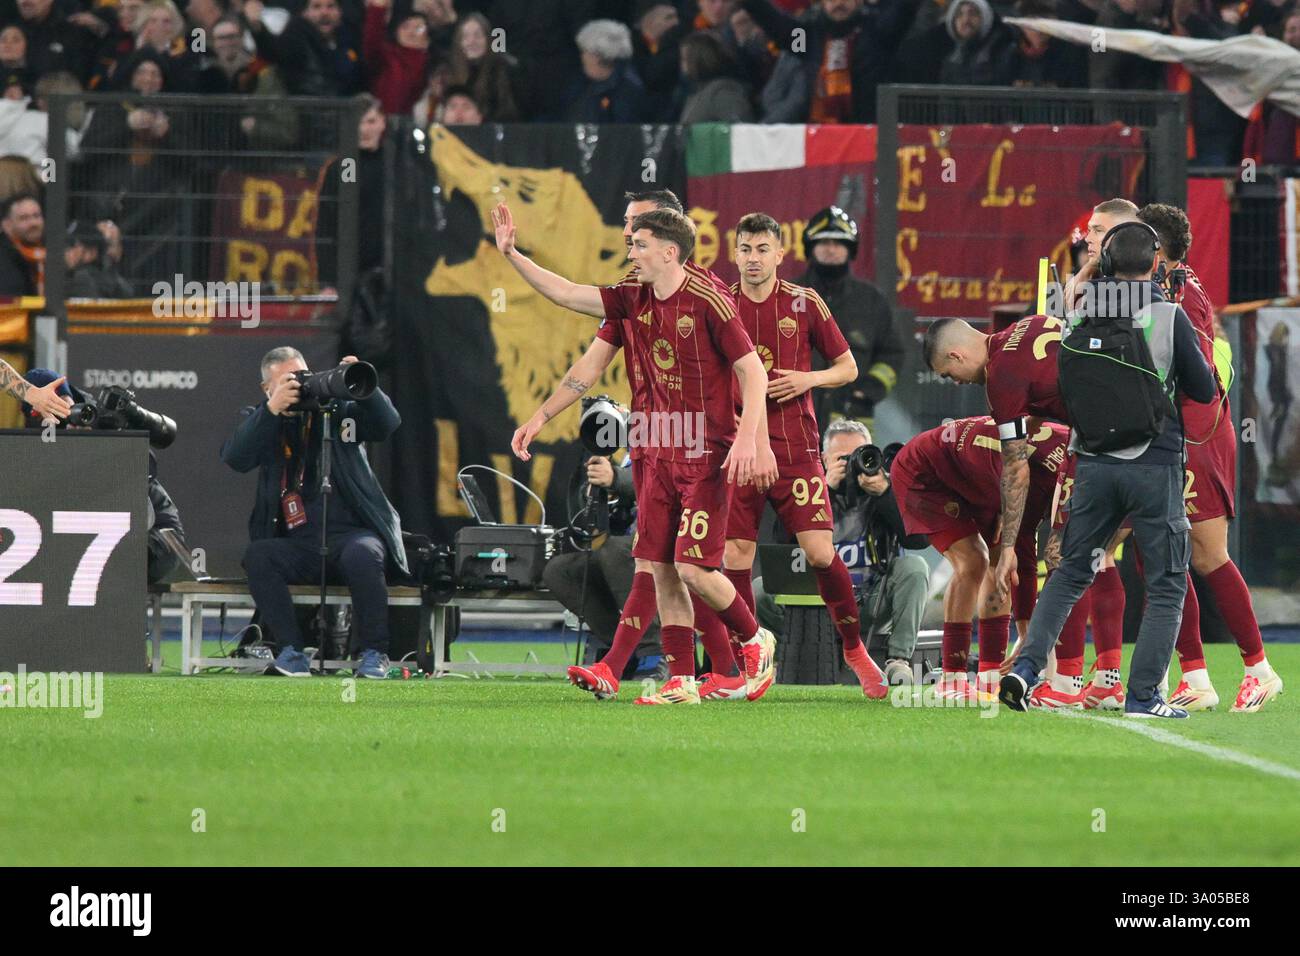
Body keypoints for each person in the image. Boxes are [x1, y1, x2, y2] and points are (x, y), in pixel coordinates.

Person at [495, 201, 780, 706]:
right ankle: (680, 680)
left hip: (703, 450)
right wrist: (513, 255)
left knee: (693, 568)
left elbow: (753, 372)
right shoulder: (631, 297)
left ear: (669, 252)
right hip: (652, 448)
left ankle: (754, 637)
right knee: (660, 565)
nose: (631, 249)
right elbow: (566, 294)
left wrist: (748, 438)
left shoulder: (710, 299)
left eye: (639, 243)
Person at [999, 221, 1218, 718]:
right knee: (1166, 581)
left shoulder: (1077, 315)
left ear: (1108, 263)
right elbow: (1204, 391)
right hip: (1153, 463)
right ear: (1157, 263)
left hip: (1092, 463)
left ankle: (1026, 670)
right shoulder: (1168, 314)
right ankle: (1143, 697)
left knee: (1071, 571)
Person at [713, 212, 889, 701]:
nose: (753, 259)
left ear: (779, 252)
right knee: (735, 556)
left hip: (795, 450)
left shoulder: (803, 301)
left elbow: (849, 367)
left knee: (819, 552)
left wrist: (807, 378)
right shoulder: (720, 303)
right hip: (742, 449)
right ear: (736, 253)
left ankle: (854, 648)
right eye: (745, 250)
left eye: (762, 249)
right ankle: (747, 657)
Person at [1139, 202, 1283, 712]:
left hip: (1193, 436)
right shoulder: (1166, 284)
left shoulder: (1177, 293)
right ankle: (1196, 677)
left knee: (1206, 553)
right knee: (1161, 553)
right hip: (1172, 433)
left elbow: (1192, 372)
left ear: (1157, 251)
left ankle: (1259, 669)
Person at [220, 347, 407, 679]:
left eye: (303, 377)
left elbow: (387, 424)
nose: (300, 387)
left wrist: (366, 390)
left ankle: (375, 654)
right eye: (288, 381)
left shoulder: (336, 414)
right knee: (259, 556)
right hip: (300, 545)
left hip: (352, 536)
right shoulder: (265, 418)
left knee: (364, 553)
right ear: (267, 388)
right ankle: (291, 651)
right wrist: (271, 411)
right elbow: (236, 457)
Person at [891, 415, 1062, 699]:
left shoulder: (1065, 454)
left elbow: (1022, 550)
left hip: (977, 479)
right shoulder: (1038, 473)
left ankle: (989, 679)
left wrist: (1025, 633)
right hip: (927, 474)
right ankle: (952, 678)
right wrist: (1027, 633)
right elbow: (1023, 546)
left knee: (1000, 563)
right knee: (974, 561)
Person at [821, 419, 929, 685]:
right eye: (842, 459)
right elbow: (783, 544)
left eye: (858, 456)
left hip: (872, 602)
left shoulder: (885, 489)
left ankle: (899, 660)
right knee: (761, 589)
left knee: (914, 567)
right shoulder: (810, 492)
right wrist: (823, 492)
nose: (851, 465)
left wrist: (885, 494)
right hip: (820, 605)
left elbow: (919, 540)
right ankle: (775, 659)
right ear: (824, 459)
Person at [541, 452, 661, 676]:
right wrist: (594, 491)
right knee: (561, 571)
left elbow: (661, 480)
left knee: (614, 550)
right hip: (627, 548)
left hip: (667, 547)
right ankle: (623, 652)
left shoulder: (673, 437)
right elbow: (587, 509)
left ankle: (656, 653)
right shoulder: (621, 451)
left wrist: (615, 478)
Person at [797, 205, 903, 429]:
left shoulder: (872, 300)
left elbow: (892, 354)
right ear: (810, 247)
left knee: (851, 466)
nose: (831, 249)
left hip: (853, 420)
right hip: (794, 417)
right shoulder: (786, 294)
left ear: (850, 249)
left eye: (838, 243)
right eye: (824, 242)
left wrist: (869, 389)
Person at [242, 0, 362, 98]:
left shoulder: (349, 38)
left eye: (331, 6)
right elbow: (273, 51)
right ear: (305, 13)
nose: (324, 12)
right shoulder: (296, 36)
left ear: (340, 12)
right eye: (316, 7)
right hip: (310, 114)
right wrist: (257, 27)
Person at [0, 191, 43, 296]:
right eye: (24, 218)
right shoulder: (5, 260)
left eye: (36, 216)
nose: (33, 223)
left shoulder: (47, 253)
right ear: (7, 225)